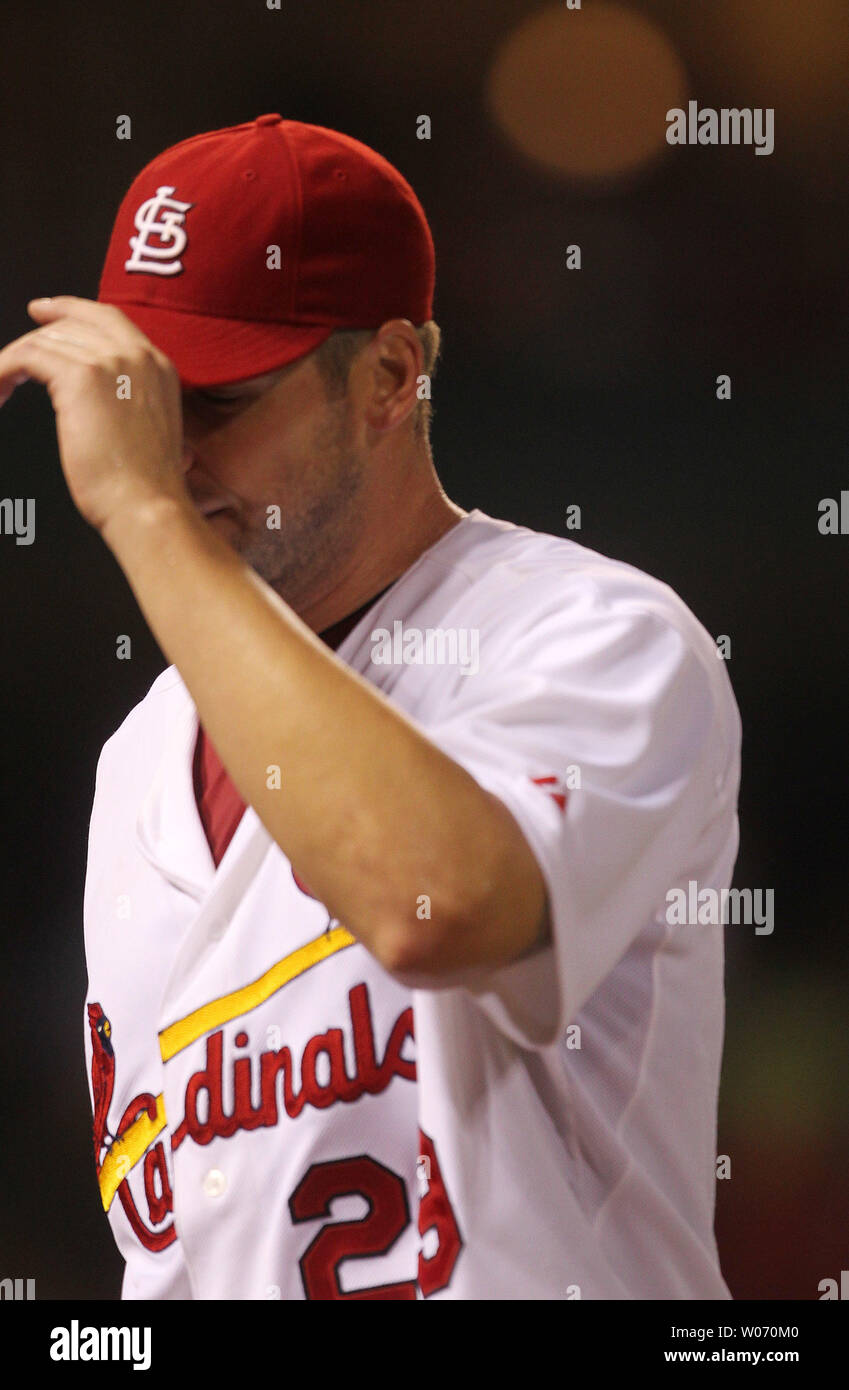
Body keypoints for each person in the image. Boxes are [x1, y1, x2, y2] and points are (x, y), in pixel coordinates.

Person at [0, 115, 741, 1300]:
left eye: (218, 401)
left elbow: (432, 907)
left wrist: (145, 520)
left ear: (391, 376)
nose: (166, 454)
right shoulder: (140, 755)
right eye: (146, 400)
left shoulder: (595, 635)